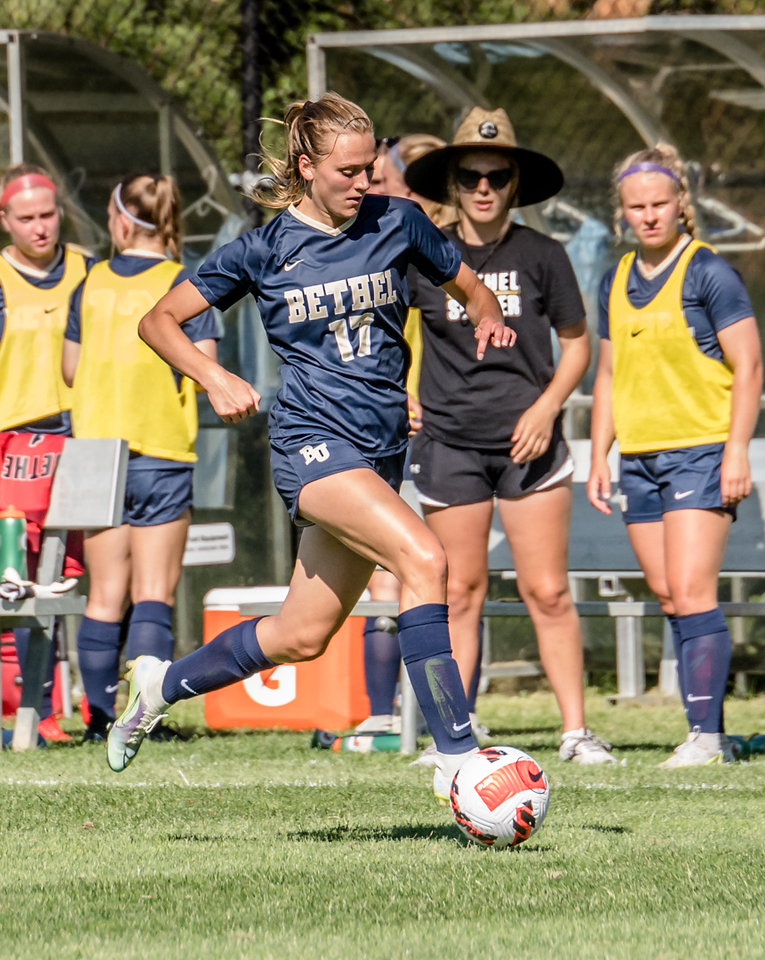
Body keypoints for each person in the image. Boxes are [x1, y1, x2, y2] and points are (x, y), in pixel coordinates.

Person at [106, 92, 515, 803]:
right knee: (425, 558)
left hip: (382, 451)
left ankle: (158, 684)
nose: (366, 184)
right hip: (312, 445)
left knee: (301, 635)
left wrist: (486, 317)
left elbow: (474, 291)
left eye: (371, 169)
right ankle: (457, 755)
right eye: (350, 172)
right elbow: (159, 321)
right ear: (305, 166)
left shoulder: (399, 220)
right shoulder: (264, 248)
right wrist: (211, 376)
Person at [401, 107, 613, 765]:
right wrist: (401, 392)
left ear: (516, 182)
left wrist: (547, 408)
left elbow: (578, 346)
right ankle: (453, 740)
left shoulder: (543, 255)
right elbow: (390, 335)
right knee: (457, 592)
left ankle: (575, 732)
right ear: (452, 183)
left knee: (546, 591)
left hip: (529, 444)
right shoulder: (422, 256)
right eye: (470, 176)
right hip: (449, 442)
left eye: (497, 175)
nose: (484, 187)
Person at [587, 144, 763, 767]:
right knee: (667, 594)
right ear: (623, 213)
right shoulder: (615, 278)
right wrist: (599, 453)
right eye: (637, 207)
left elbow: (750, 366)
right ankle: (704, 730)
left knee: (692, 592)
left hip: (699, 451)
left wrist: (735, 450)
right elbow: (607, 374)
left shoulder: (709, 271)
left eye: (660, 203)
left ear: (681, 203)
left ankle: (706, 737)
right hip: (638, 457)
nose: (650, 216)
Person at [61, 174, 219, 743]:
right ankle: (142, 722)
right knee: (153, 591)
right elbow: (205, 367)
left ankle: (99, 719)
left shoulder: (91, 281)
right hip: (161, 451)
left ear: (123, 221)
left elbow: (71, 370)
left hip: (97, 453)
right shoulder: (184, 282)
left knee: (104, 593)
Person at [0, 163, 93, 744]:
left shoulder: (90, 270)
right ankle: (41, 710)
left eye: (48, 214)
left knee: (92, 576)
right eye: (27, 218)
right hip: (15, 446)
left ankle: (104, 704)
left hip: (84, 438)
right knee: (28, 582)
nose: (40, 227)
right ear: (5, 220)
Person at [355, 132, 456, 737]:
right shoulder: (372, 239)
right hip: (383, 428)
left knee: (433, 570)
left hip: (441, 435)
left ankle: (445, 722)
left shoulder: (428, 246)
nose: (388, 187)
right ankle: (380, 714)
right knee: (385, 572)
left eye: (401, 179)